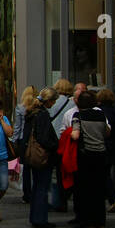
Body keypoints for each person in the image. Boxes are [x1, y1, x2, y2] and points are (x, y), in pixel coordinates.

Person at [69, 90, 110, 228]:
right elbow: (107, 131)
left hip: (85, 155)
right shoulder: (101, 114)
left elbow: (75, 135)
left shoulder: (77, 115)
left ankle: (86, 220)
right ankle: (100, 220)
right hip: (101, 154)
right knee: (99, 188)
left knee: (84, 189)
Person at [27, 89, 60, 228]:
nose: (54, 104)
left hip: (33, 154)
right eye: (53, 101)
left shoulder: (32, 112)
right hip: (42, 155)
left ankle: (36, 216)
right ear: (49, 101)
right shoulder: (43, 114)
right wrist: (54, 146)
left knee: (37, 186)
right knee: (42, 186)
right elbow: (44, 137)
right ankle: (40, 218)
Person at [47, 78, 77, 212]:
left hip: (51, 141)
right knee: (64, 171)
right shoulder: (72, 104)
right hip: (65, 142)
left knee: (53, 173)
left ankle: (55, 200)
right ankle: (64, 198)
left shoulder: (51, 102)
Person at [96, 88, 115, 212]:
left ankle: (114, 200)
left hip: (102, 146)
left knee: (103, 174)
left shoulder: (99, 113)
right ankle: (110, 198)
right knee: (106, 172)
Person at [12, 85, 38, 205]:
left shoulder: (20, 108)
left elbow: (17, 126)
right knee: (37, 168)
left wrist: (14, 140)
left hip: (23, 140)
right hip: (36, 140)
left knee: (26, 168)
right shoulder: (37, 107)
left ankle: (26, 193)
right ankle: (36, 192)